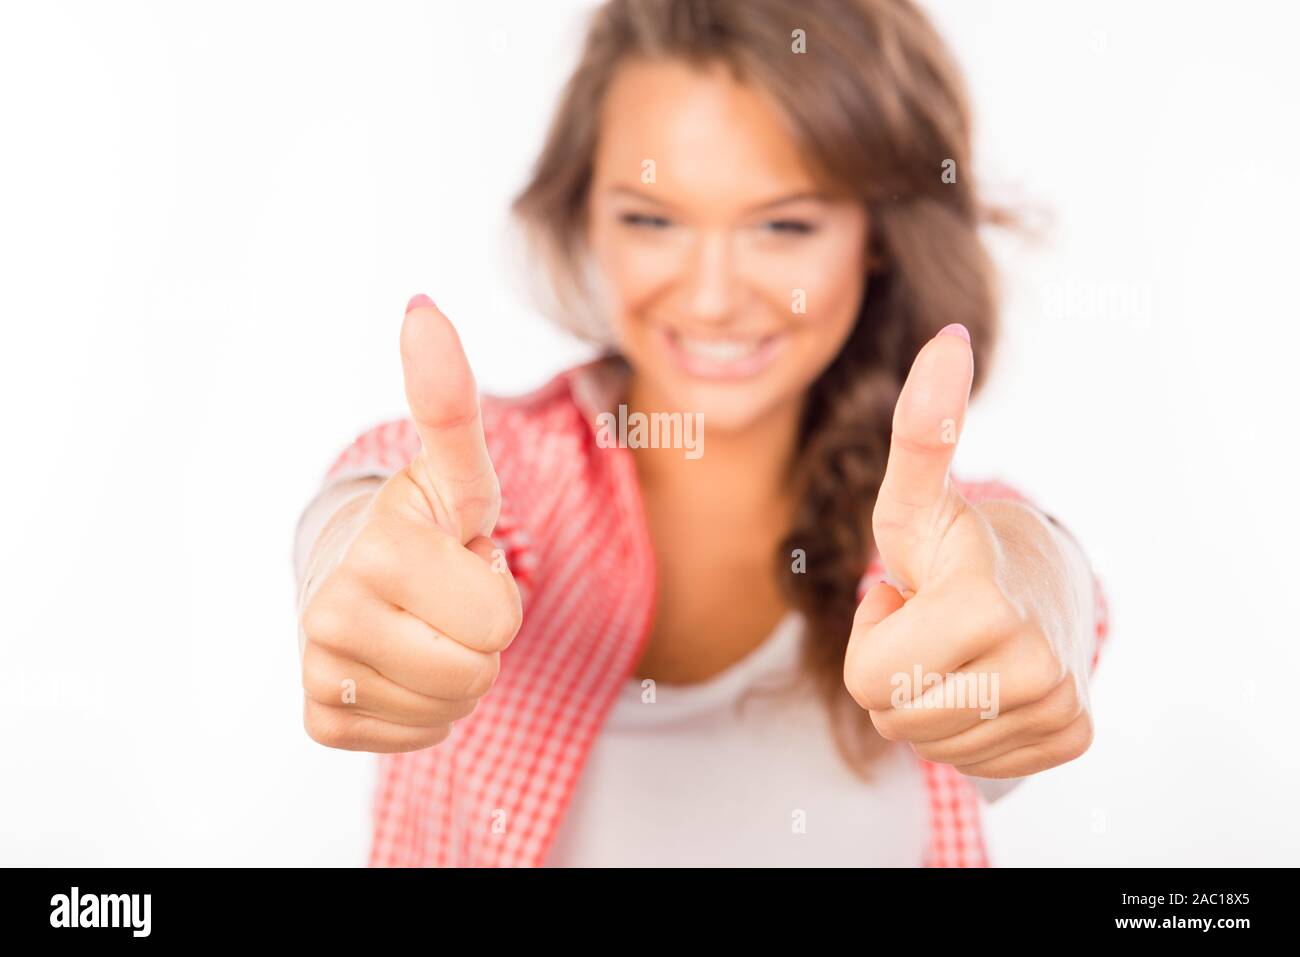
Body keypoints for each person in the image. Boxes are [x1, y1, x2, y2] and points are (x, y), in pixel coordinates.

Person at [292, 0, 1110, 867]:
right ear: (587, 219)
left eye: (784, 224)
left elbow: (1030, 581)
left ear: (876, 235)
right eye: (651, 218)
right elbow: (370, 501)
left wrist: (1046, 590)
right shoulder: (504, 484)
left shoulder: (942, 543)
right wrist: (346, 559)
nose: (714, 296)